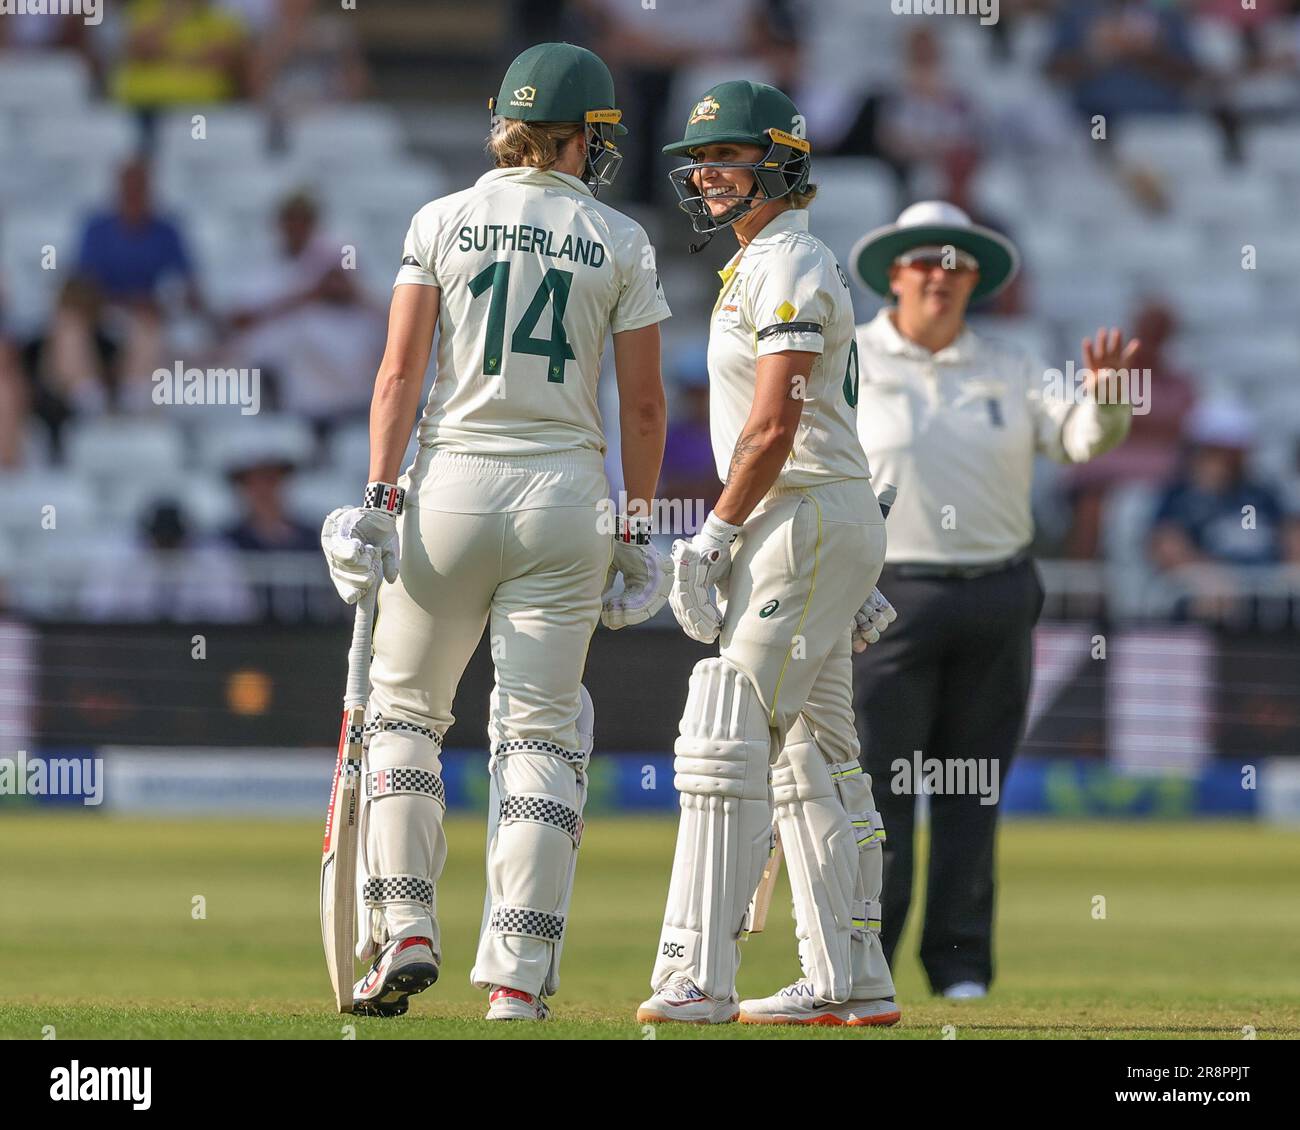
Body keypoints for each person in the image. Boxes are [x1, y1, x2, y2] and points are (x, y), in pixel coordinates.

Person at [319, 43, 672, 1021]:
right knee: (540, 736)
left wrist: (379, 497)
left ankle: (406, 928)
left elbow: (397, 374)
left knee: (402, 714)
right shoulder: (622, 238)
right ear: (583, 137)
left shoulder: (441, 219)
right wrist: (636, 527)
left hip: (451, 486)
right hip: (565, 494)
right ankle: (516, 975)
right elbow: (643, 409)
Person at [638, 80, 898, 1027]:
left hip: (801, 515)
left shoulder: (788, 259)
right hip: (820, 521)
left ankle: (694, 976)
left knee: (726, 728)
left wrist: (717, 531)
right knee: (815, 757)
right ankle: (851, 976)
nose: (707, 173)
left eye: (730, 157)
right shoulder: (767, 265)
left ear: (780, 163)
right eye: (701, 159)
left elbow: (779, 419)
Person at [849, 201, 1137, 998]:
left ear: (975, 282)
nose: (941, 276)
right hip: (888, 596)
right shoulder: (850, 359)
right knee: (882, 794)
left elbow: (1081, 438)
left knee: (970, 789)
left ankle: (960, 967)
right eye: (926, 262)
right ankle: (864, 964)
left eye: (957, 265)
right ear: (894, 274)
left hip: (997, 592)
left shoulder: (1012, 361)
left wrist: (1109, 397)